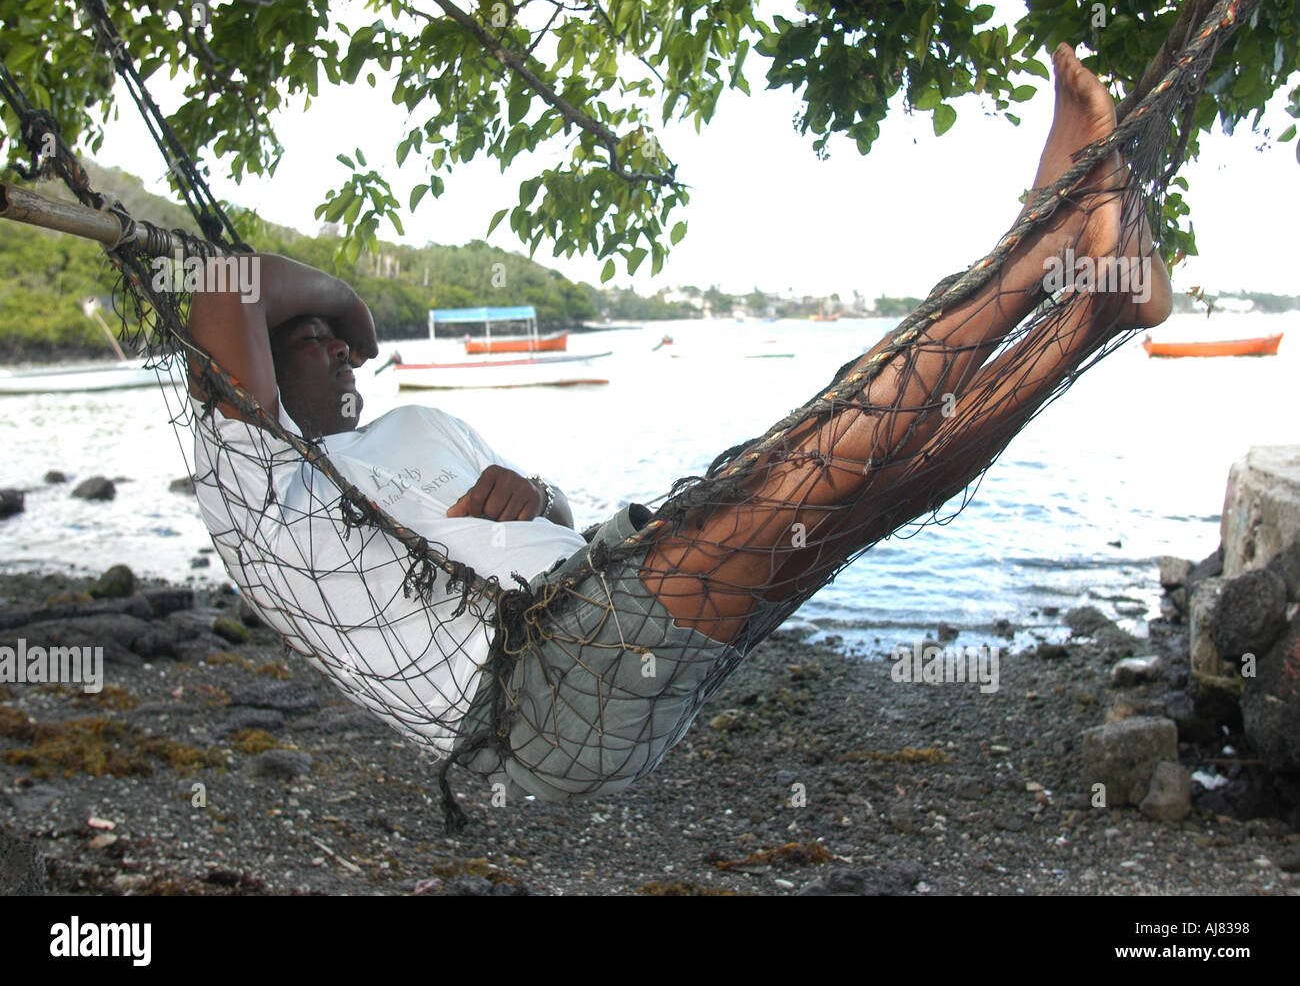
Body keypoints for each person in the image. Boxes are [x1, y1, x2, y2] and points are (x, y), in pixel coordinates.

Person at [187, 44, 1171, 803]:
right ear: (264, 374)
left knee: (869, 495)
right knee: (803, 457)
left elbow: (552, 519)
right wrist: (344, 296)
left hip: (600, 594)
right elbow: (222, 282)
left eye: (345, 340)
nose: (348, 352)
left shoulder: (421, 424)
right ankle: (1055, 226)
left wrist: (538, 497)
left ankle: (1098, 307)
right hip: (530, 705)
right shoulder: (255, 490)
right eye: (315, 342)